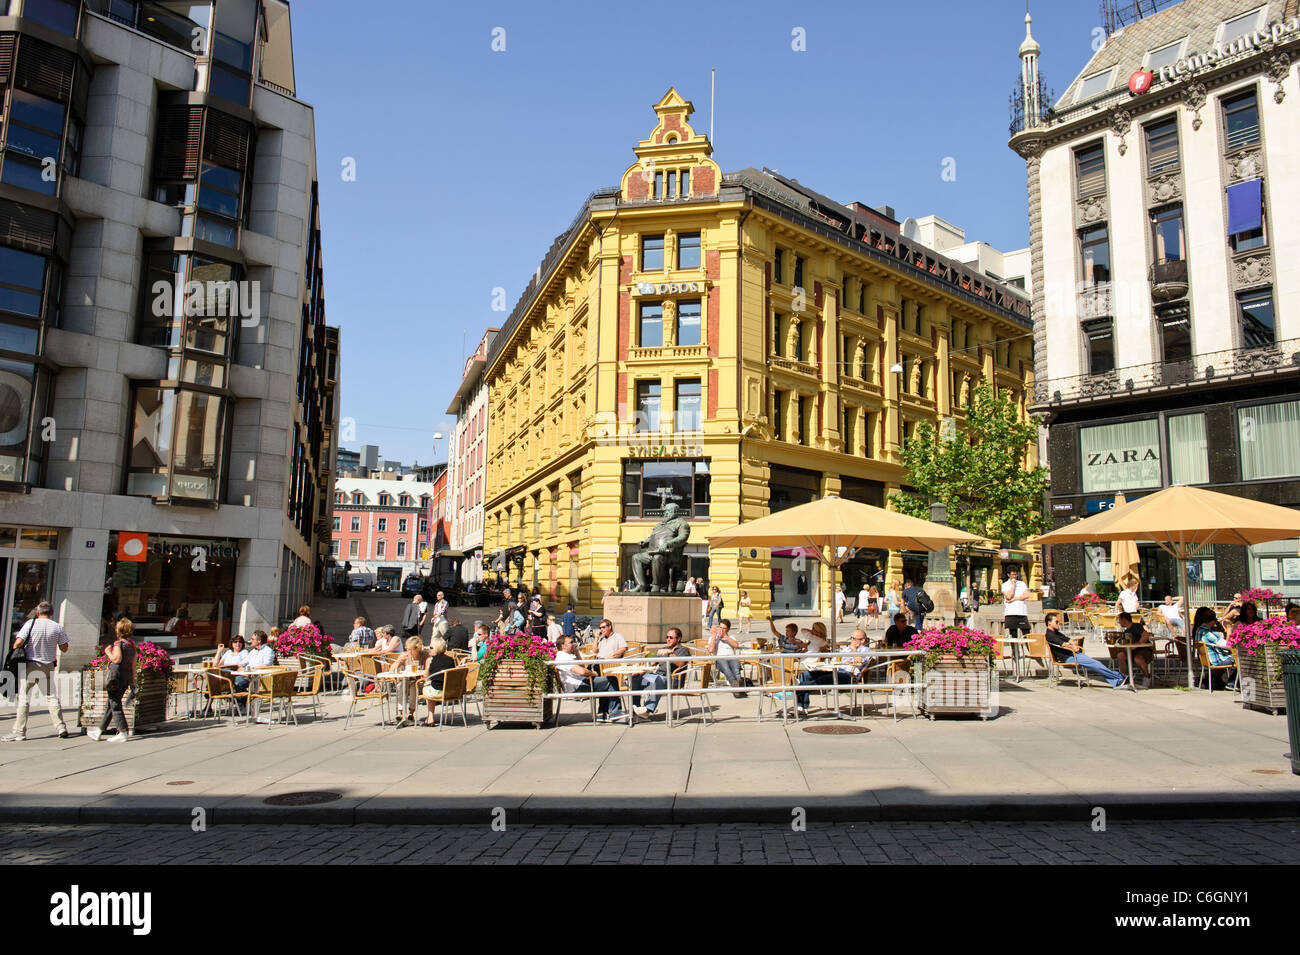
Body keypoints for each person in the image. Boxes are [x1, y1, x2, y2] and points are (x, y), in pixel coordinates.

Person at [3, 601, 71, 741]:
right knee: (51, 696)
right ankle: (61, 727)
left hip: (30, 664)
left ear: (38, 612)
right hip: (48, 665)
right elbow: (64, 648)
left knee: (23, 697)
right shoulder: (57, 627)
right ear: (51, 613)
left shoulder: (30, 624)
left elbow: (18, 642)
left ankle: (19, 731)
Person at [794, 629, 871, 715]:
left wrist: (854, 650)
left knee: (821, 680)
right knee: (806, 674)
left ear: (862, 640)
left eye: (854, 638)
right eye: (851, 638)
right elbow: (834, 660)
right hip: (836, 669)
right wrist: (842, 662)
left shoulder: (865, 650)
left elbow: (859, 662)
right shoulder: (846, 649)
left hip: (849, 675)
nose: (851, 641)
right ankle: (801, 706)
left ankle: (798, 687)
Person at [1043, 612, 1127, 688]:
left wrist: (1073, 644)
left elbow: (1068, 639)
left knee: (1096, 663)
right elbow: (1063, 644)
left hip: (1073, 654)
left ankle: (1118, 678)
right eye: (1056, 622)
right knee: (1095, 664)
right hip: (1068, 657)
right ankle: (1118, 678)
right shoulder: (1050, 635)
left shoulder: (1056, 632)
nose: (1058, 624)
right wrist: (1073, 647)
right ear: (1049, 623)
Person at [555, 634, 624, 722]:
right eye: (571, 642)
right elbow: (582, 672)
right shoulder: (563, 657)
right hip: (578, 687)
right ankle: (615, 712)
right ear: (563, 646)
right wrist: (593, 674)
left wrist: (577, 653)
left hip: (579, 683)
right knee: (611, 680)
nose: (574, 644)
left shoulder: (565, 655)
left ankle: (601, 713)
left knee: (599, 672)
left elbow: (582, 666)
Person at [88, 618, 137, 741]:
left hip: (115, 676)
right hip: (126, 676)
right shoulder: (131, 646)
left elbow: (116, 659)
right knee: (111, 703)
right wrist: (132, 681)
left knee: (114, 704)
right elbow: (133, 665)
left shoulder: (118, 644)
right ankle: (99, 731)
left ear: (119, 630)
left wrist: (108, 652)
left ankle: (123, 731)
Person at [631, 627, 691, 717]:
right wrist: (641, 671)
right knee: (636, 679)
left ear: (678, 639)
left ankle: (648, 709)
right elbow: (651, 664)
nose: (668, 639)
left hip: (673, 679)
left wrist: (670, 653)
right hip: (656, 676)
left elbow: (681, 664)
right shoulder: (663, 649)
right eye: (667, 637)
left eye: (671, 637)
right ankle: (636, 709)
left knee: (657, 679)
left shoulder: (683, 650)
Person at [389, 636, 430, 725]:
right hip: (405, 680)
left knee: (413, 687)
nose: (409, 652)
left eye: (411, 649)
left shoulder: (424, 655)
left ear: (417, 648)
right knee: (400, 686)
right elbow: (391, 670)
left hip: (419, 680)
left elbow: (428, 669)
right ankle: (401, 712)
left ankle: (411, 713)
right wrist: (399, 661)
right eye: (407, 649)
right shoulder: (404, 655)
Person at [1192, 607, 1234, 687]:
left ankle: (1213, 680)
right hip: (1216, 661)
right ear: (1214, 620)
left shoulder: (1198, 630)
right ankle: (1232, 683)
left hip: (1206, 660)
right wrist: (1229, 630)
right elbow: (1228, 645)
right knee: (1237, 658)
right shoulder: (1208, 633)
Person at [421, 636, 457, 725]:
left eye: (431, 648)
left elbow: (426, 676)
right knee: (432, 685)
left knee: (427, 686)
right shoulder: (451, 660)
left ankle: (430, 717)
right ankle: (430, 717)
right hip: (451, 692)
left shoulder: (430, 660)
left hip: (437, 692)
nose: (429, 650)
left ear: (436, 648)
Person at [1112, 611, 1153, 686]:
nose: (1119, 622)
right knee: (1120, 655)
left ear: (1124, 620)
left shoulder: (1136, 626)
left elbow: (1145, 635)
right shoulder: (1126, 631)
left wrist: (1138, 644)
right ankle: (1125, 677)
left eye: (1119, 620)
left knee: (1138, 658)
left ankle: (1147, 676)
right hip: (1131, 652)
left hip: (1143, 650)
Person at [709, 619, 745, 696]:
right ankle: (737, 688)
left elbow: (736, 645)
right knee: (726, 669)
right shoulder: (714, 638)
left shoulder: (731, 637)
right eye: (720, 627)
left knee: (736, 671)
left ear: (728, 629)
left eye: (724, 628)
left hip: (731, 658)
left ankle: (738, 690)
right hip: (720, 659)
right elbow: (711, 650)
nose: (721, 630)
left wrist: (726, 637)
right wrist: (714, 636)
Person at [1001, 567, 1031, 642]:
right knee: (1013, 636)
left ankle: (1029, 652)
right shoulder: (1005, 585)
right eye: (1013, 574)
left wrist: (1015, 599)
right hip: (1011, 613)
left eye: (1016, 574)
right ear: (1008, 575)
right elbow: (1008, 596)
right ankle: (1015, 652)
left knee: (1026, 634)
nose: (1014, 576)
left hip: (1022, 612)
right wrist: (1013, 584)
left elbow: (1027, 595)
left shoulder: (1022, 583)